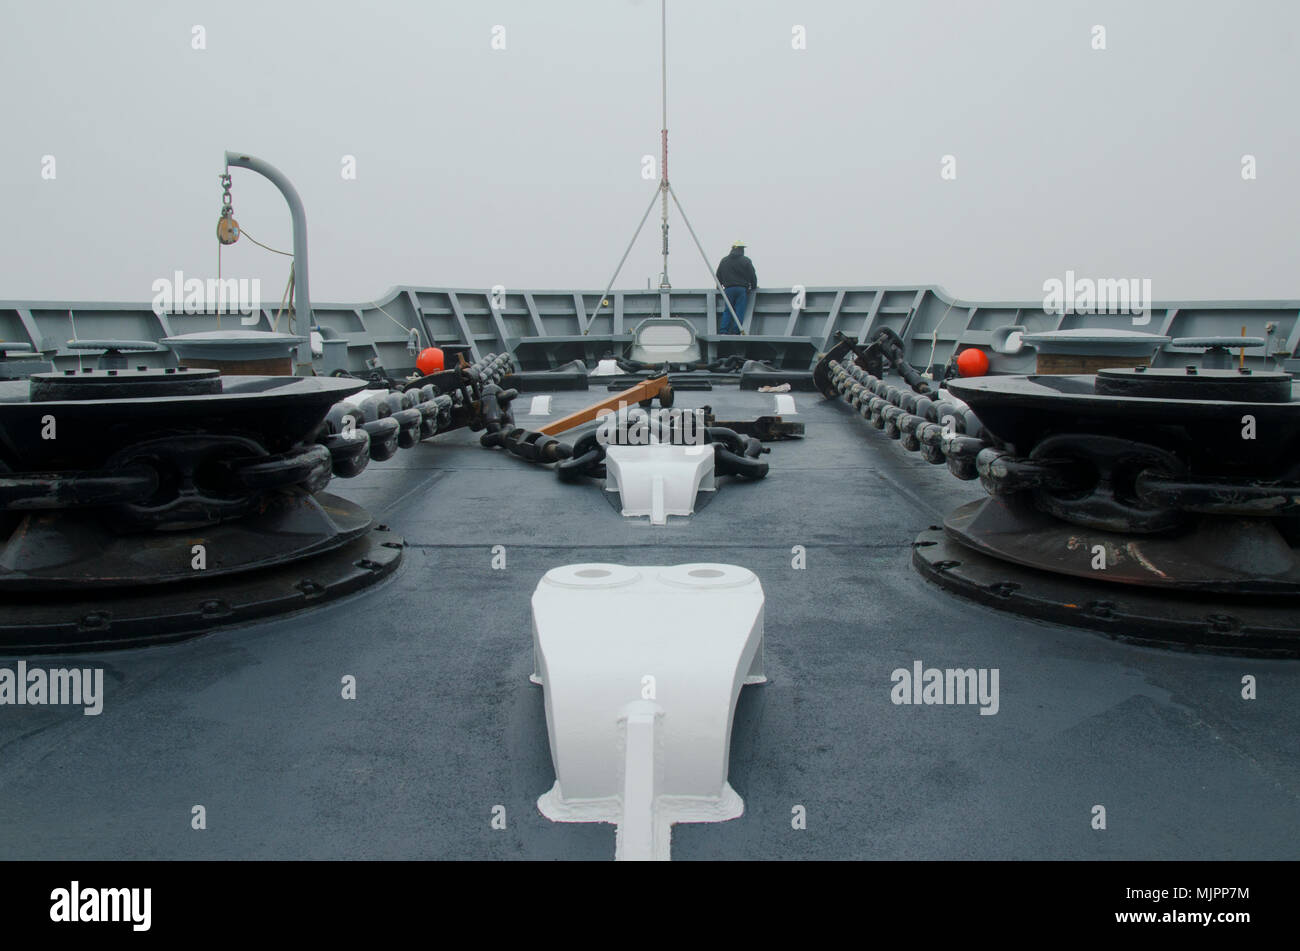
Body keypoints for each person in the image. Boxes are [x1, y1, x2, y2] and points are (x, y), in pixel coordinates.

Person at [715, 240, 756, 335]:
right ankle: (736, 330)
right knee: (739, 310)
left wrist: (718, 286)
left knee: (728, 310)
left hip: (728, 289)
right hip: (741, 289)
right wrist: (753, 286)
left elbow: (718, 274)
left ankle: (723, 331)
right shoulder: (746, 260)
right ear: (741, 250)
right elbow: (752, 275)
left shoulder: (724, 260)